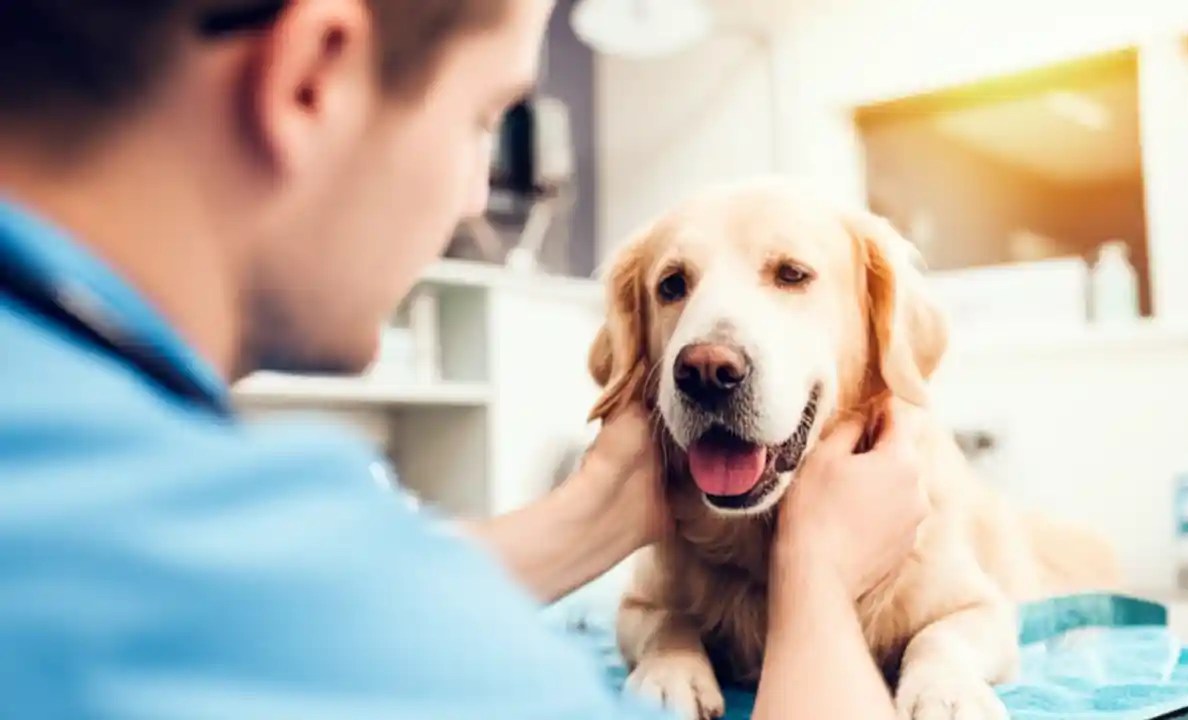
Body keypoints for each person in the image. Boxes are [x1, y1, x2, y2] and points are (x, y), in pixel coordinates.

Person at [0, 1, 928, 717]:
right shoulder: (456, 666)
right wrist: (813, 577)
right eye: (488, 115)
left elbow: (330, 607)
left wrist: (589, 521)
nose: (475, 197)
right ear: (310, 80)